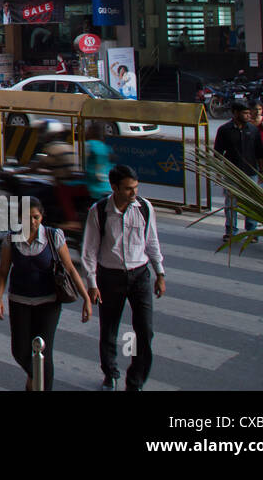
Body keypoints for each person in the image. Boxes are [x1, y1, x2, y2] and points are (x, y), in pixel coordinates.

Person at [81, 165, 165, 391]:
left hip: (140, 275)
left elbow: (152, 242)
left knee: (145, 330)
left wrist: (160, 273)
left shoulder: (145, 208)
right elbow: (89, 251)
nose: (133, 193)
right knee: (109, 329)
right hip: (110, 276)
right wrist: (92, 283)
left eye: (135, 188)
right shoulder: (99, 211)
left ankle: (135, 380)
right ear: (114, 188)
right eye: (128, 189)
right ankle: (110, 373)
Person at [0, 197, 91, 390]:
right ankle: (35, 378)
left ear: (42, 216)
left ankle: (40, 384)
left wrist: (86, 298)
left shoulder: (54, 237)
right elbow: (3, 271)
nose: (32, 222)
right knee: (20, 351)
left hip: (48, 303)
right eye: (27, 217)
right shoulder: (11, 240)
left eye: (36, 217)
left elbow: (70, 269)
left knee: (44, 354)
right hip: (19, 301)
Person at [214, 100, 263, 242]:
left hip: (250, 172)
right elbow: (218, 152)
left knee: (251, 204)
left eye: (249, 113)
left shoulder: (253, 130)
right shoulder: (224, 130)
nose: (248, 115)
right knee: (231, 204)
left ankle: (251, 231)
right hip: (231, 172)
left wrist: (261, 171)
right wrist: (218, 172)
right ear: (235, 113)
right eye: (245, 113)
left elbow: (259, 152)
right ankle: (231, 231)